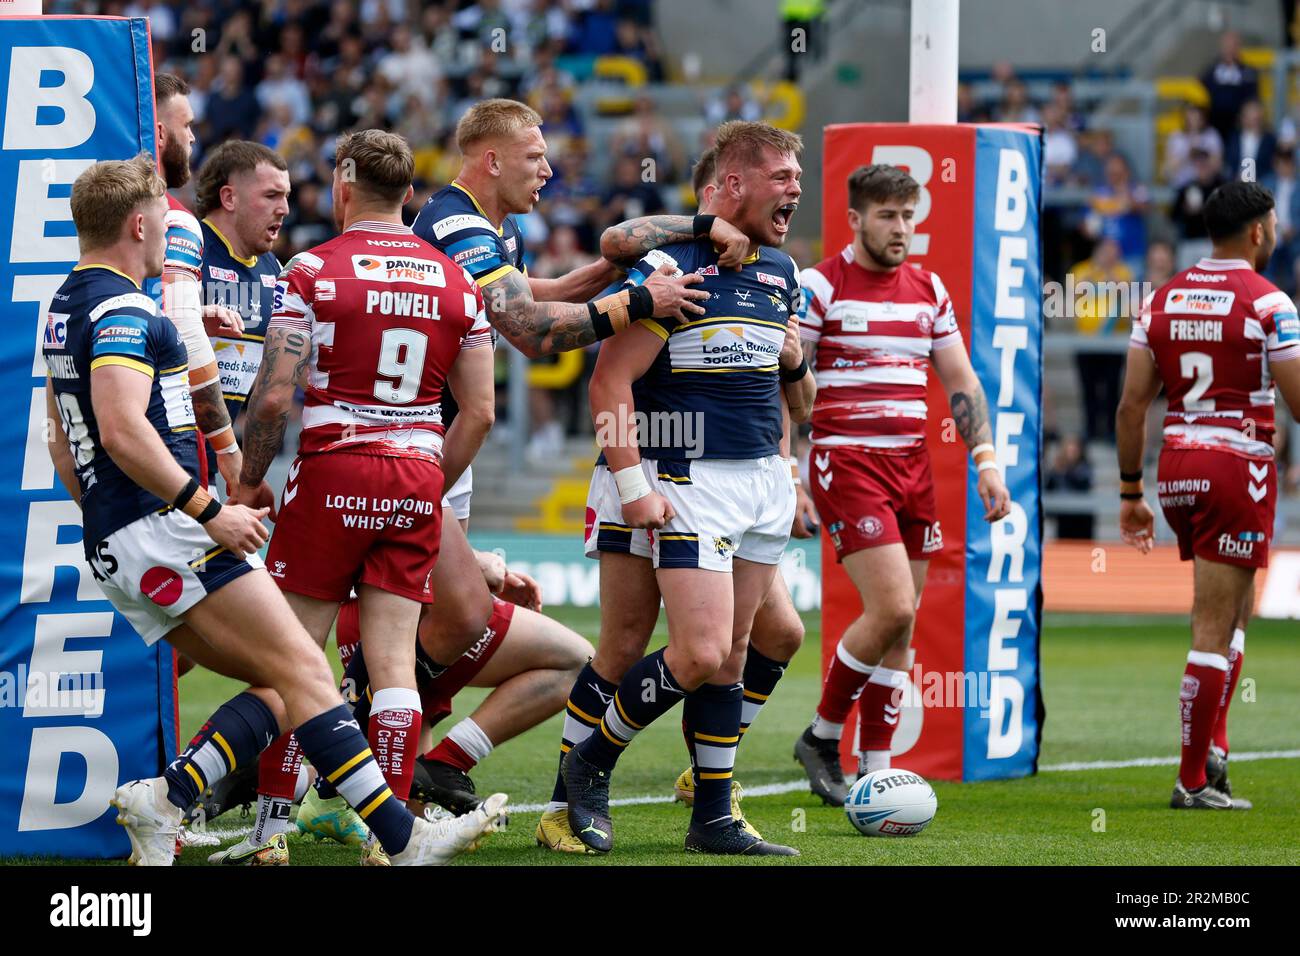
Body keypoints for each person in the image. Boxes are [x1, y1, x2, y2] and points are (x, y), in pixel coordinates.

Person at [44, 154, 503, 866]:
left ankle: (164, 803)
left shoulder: (65, 307)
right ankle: (402, 840)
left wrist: (111, 519)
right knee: (308, 672)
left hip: (121, 540)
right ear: (139, 223)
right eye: (165, 222)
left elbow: (62, 445)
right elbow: (122, 429)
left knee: (285, 678)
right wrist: (208, 509)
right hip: (170, 532)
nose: (171, 233)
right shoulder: (124, 308)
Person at [227, 129, 508, 864]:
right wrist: (423, 485)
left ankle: (270, 833)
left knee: (295, 658)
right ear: (409, 193)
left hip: (332, 471)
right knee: (393, 667)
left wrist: (250, 479)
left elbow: (273, 399)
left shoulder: (313, 270)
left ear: (343, 187)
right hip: (417, 475)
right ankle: (389, 841)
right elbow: (478, 412)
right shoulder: (455, 280)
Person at [535, 147, 814, 854]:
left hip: (757, 482)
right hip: (679, 473)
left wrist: (796, 373)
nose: (796, 191)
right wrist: (633, 486)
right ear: (733, 185)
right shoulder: (673, 266)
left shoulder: (782, 274)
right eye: (782, 178)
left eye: (798, 179)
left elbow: (791, 398)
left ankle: (712, 816)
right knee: (673, 649)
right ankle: (581, 778)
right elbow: (608, 384)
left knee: (736, 650)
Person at [792, 164, 1011, 806]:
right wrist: (789, 471)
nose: (901, 228)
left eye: (909, 215)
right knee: (892, 609)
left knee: (901, 632)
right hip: (847, 461)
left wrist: (987, 460)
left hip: (913, 467)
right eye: (887, 215)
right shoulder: (820, 286)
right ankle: (823, 735)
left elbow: (962, 381)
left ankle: (876, 769)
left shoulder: (928, 288)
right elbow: (785, 383)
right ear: (856, 220)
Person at [1117, 180, 1300, 809]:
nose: (1276, 235)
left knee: (1235, 614)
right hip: (1236, 469)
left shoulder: (1160, 300)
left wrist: (1130, 491)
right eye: (1273, 226)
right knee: (1213, 628)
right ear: (1257, 231)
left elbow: (1131, 404)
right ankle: (1191, 779)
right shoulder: (1271, 301)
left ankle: (1213, 750)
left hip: (1177, 466)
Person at [147, 73, 249, 499]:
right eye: (186, 126)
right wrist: (228, 449)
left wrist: (171, 311)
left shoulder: (88, 206)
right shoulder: (174, 220)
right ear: (159, 133)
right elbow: (185, 335)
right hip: (167, 447)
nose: (192, 139)